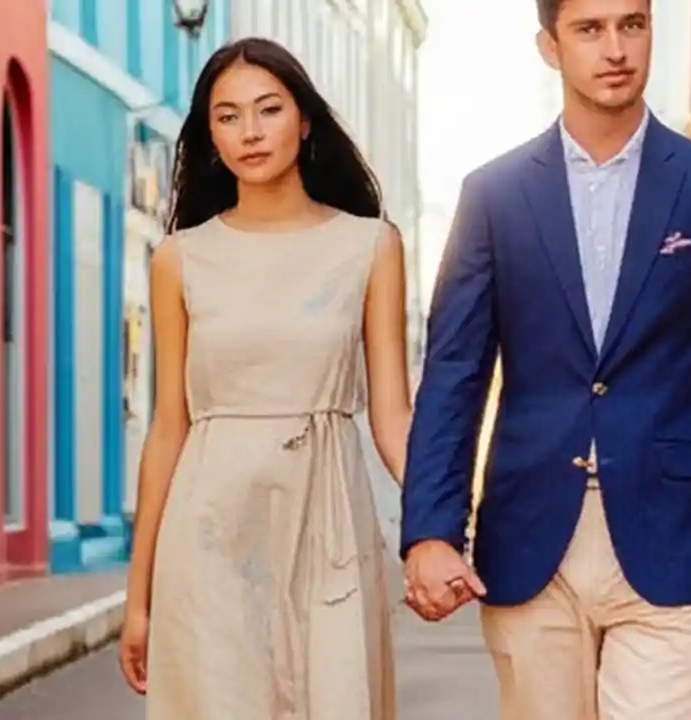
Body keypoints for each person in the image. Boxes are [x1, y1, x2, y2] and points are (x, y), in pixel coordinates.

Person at [399, 0, 691, 717]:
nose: (615, 48)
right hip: (532, 538)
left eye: (633, 24)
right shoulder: (494, 197)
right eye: (589, 30)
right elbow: (454, 379)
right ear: (549, 46)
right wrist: (431, 533)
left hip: (675, 532)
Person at [116, 37, 413, 720]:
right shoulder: (181, 259)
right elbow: (169, 428)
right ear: (209, 134)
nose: (249, 132)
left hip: (330, 524)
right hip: (211, 533)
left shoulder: (370, 245)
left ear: (304, 119)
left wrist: (445, 522)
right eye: (227, 116)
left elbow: (393, 417)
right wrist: (139, 599)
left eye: (268, 109)